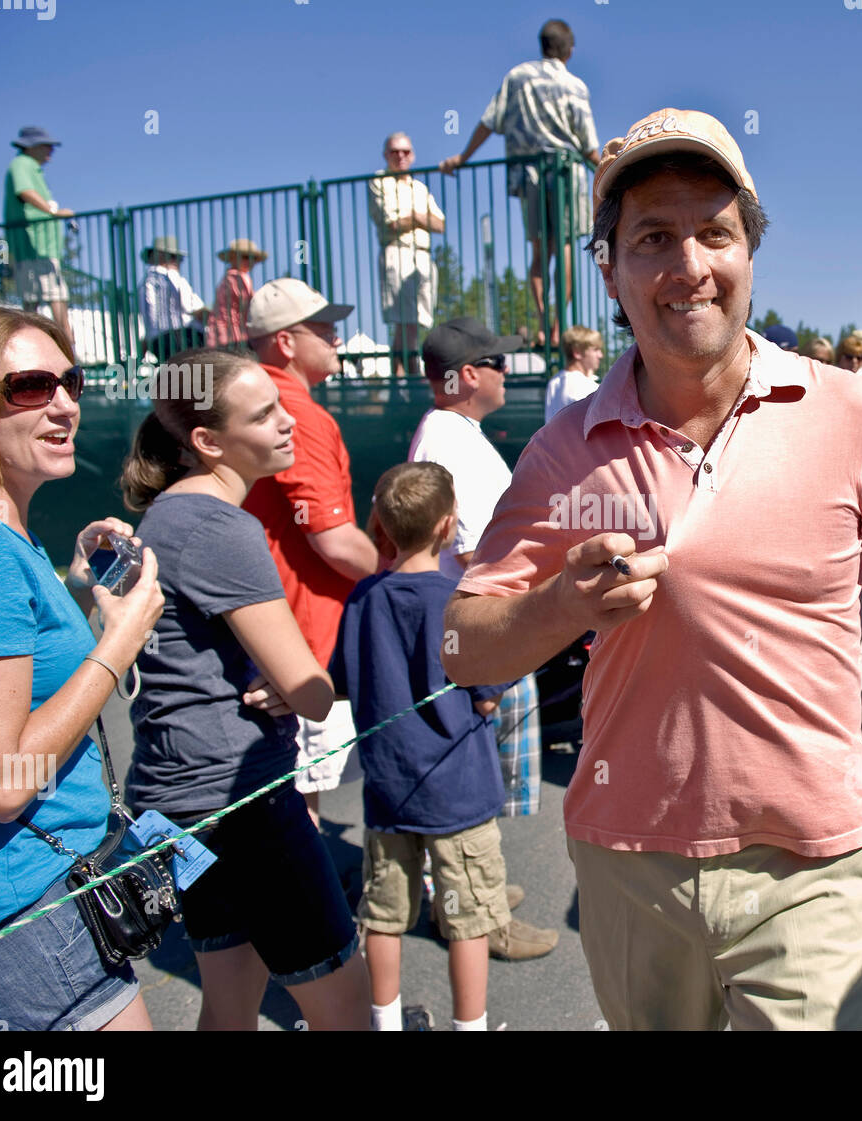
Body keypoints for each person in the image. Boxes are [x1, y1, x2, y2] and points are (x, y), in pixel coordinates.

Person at [442, 108, 862, 1030]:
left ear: (751, 253)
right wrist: (563, 602)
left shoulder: (843, 410)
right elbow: (463, 647)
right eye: (653, 238)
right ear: (609, 270)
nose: (689, 265)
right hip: (628, 863)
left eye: (714, 232)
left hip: (808, 866)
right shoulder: (568, 448)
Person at [121, 347, 370, 1031]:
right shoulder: (217, 526)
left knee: (230, 999)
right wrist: (305, 684)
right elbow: (311, 689)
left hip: (176, 799)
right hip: (241, 800)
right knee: (346, 1004)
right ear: (207, 441)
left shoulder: (169, 514)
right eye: (264, 414)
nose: (288, 422)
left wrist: (292, 682)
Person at [0, 305, 164, 1031]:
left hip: (28, 910)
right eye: (30, 386)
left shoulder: (2, 529)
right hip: (23, 922)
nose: (65, 401)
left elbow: (7, 674)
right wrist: (120, 639)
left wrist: (77, 587)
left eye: (71, 380)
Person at [333, 461, 554, 1033]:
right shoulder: (457, 600)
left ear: (380, 523)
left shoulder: (362, 599)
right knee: (469, 918)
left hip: (388, 792)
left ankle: (380, 1022)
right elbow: (486, 695)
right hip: (457, 793)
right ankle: (469, 1026)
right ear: (448, 525)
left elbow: (343, 680)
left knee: (382, 915)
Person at [409, 317, 560, 962]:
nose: (506, 371)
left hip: (479, 631)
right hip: (476, 636)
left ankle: (470, 893)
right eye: (498, 360)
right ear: (467, 374)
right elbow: (478, 552)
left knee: (470, 782)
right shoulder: (452, 440)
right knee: (469, 782)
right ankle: (476, 914)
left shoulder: (455, 432)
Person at [242, 280, 380, 826]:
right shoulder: (291, 411)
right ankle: (312, 910)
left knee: (285, 792)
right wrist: (400, 573)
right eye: (320, 328)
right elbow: (334, 540)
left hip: (274, 627)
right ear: (284, 342)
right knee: (301, 798)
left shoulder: (255, 404)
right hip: (300, 634)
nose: (334, 337)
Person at [439, 19, 600, 347]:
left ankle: (542, 324)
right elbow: (587, 146)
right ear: (569, 51)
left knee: (540, 252)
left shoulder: (516, 78)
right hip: (567, 173)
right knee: (566, 244)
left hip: (530, 175)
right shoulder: (574, 86)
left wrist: (463, 157)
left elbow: (488, 122)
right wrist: (616, 169)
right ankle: (558, 327)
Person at [369, 132, 445, 376]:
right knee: (405, 323)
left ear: (412, 155)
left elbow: (440, 224)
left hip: (423, 255)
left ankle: (409, 378)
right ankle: (406, 380)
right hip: (397, 252)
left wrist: (412, 216)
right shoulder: (379, 182)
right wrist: (420, 218)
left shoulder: (419, 187)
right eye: (394, 151)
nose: (400, 156)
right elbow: (392, 223)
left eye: (405, 151)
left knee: (415, 322)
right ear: (385, 155)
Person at [3, 127, 73, 341]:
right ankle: (66, 353)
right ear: (31, 146)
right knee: (46, 304)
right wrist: (53, 212)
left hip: (41, 249)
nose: (51, 150)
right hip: (34, 249)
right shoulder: (21, 164)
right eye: (46, 145)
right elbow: (25, 191)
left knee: (43, 303)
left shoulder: (31, 168)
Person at [139, 236, 208, 360]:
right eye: (176, 257)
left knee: (178, 376)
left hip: (156, 343)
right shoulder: (171, 276)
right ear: (161, 256)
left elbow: (149, 323)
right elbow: (191, 307)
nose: (178, 262)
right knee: (197, 376)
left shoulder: (144, 284)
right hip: (183, 338)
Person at [205, 238, 267, 348]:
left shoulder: (227, 277)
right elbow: (251, 305)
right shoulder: (238, 277)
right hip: (234, 335)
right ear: (233, 257)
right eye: (245, 257)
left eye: (253, 258)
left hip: (218, 335)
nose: (250, 261)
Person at [544, 325, 603, 423]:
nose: (600, 355)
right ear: (577, 352)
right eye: (595, 350)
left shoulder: (555, 381)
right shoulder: (582, 385)